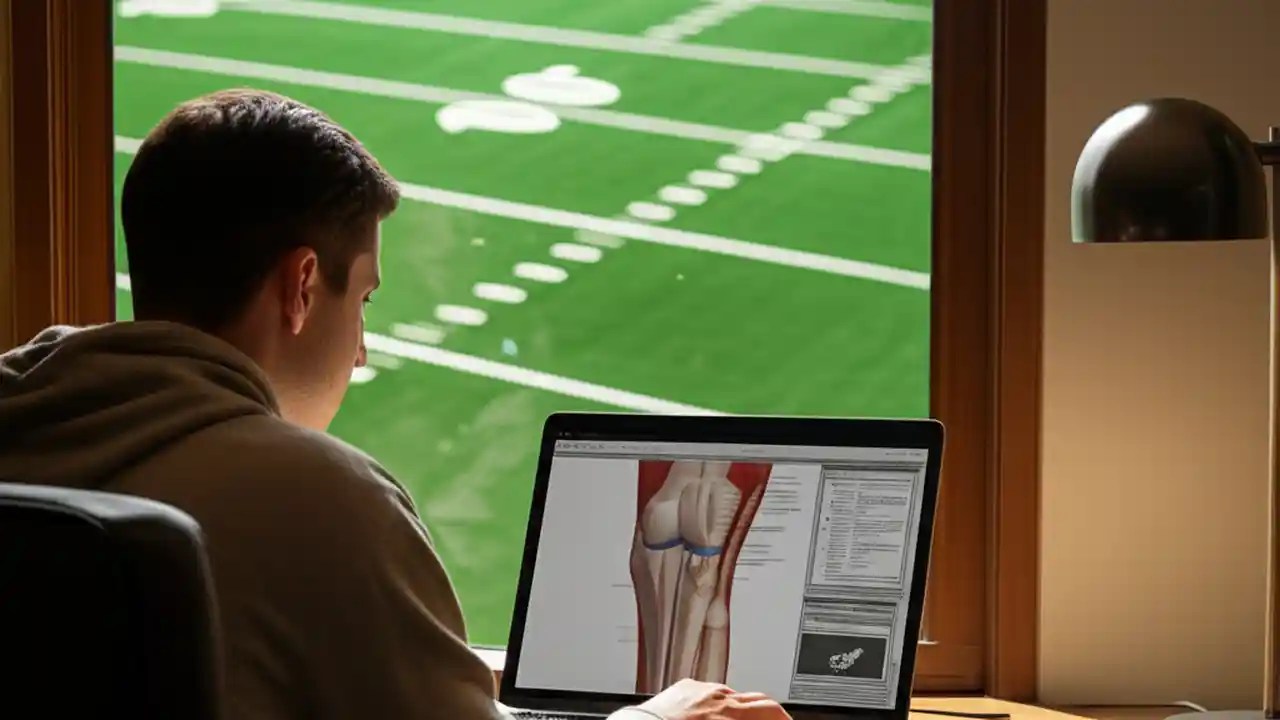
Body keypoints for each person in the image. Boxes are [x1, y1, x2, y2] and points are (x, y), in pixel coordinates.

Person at [0, 89, 791, 720]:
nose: (362, 350)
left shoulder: (26, 413)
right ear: (303, 286)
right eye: (366, 300)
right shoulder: (315, 495)